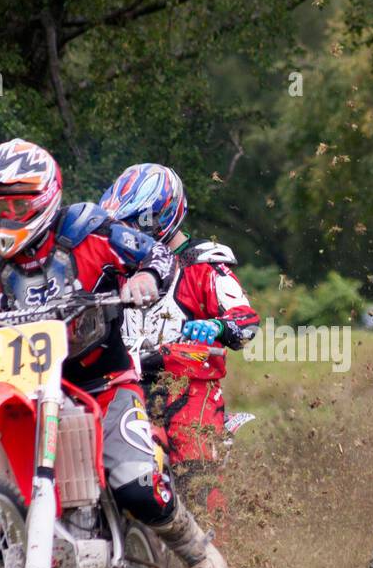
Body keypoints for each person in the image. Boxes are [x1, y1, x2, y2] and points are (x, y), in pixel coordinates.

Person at [0, 139, 229, 568]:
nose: (3, 218)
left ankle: (191, 543)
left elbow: (156, 256)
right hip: (18, 394)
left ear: (43, 198)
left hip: (102, 384)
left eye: (16, 205)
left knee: (137, 485)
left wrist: (143, 277)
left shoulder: (89, 231)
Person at [102, 163, 259, 523]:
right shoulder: (114, 269)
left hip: (186, 387)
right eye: (124, 222)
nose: (132, 231)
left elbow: (246, 321)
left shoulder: (202, 264)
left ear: (164, 215)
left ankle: (211, 542)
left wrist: (219, 326)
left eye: (140, 221)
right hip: (123, 384)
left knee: (195, 470)